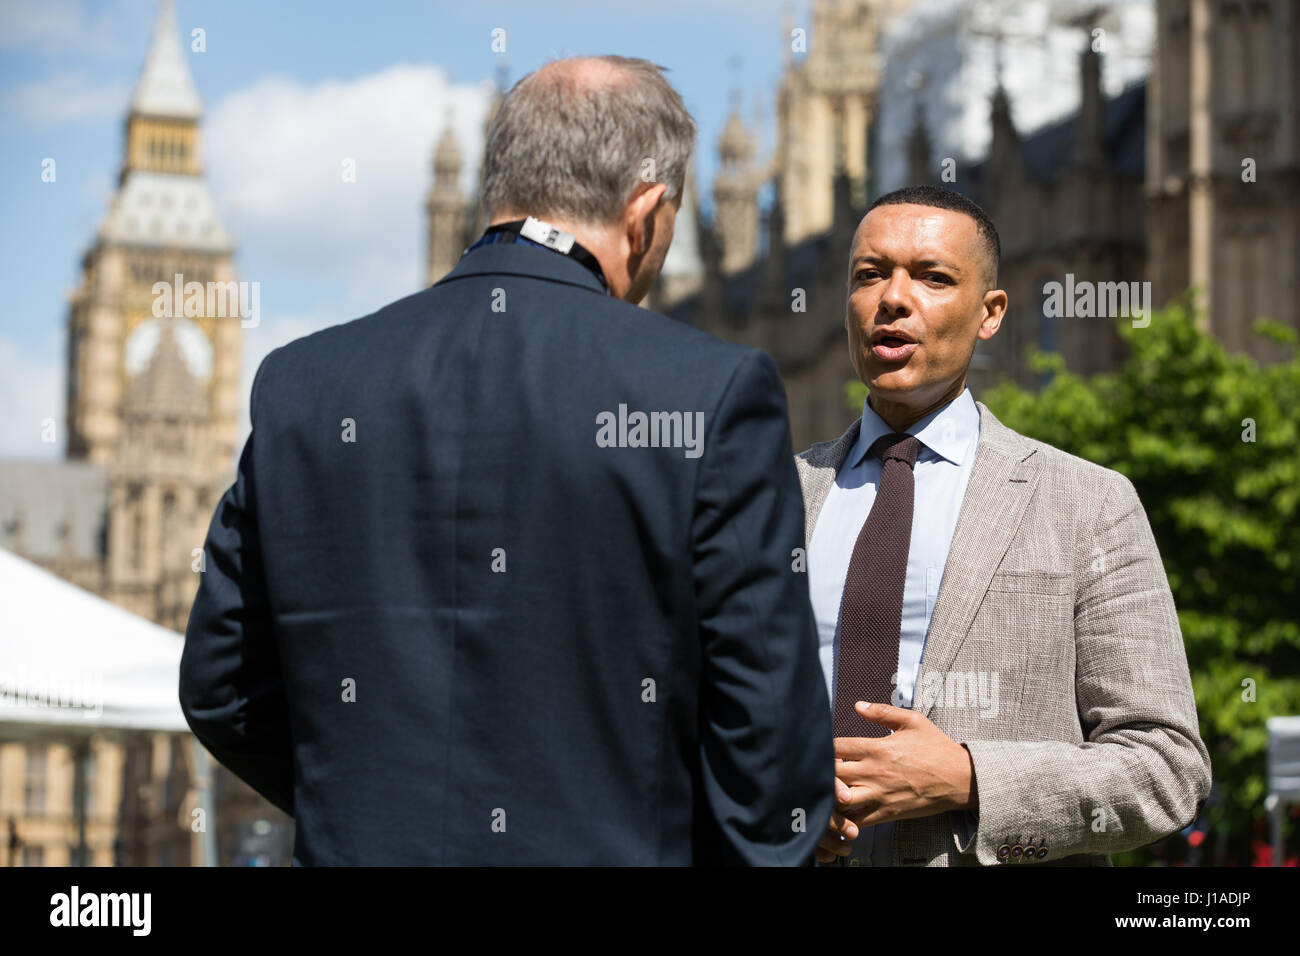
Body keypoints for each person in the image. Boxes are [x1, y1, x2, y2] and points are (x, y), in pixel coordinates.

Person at [179, 55, 833, 865]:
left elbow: (220, 686)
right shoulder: (711, 392)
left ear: (498, 188)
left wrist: (363, 807)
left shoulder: (305, 386)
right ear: (648, 212)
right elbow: (771, 751)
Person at [800, 184, 1211, 866]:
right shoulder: (778, 496)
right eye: (870, 275)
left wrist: (967, 777)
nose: (893, 299)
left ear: (991, 314)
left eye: (933, 277)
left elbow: (1167, 767)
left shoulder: (1088, 502)